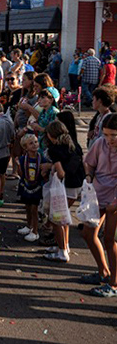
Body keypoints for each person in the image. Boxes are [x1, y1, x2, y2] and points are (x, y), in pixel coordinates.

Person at [83, 113, 117, 296]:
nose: (109, 139)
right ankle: (103, 271)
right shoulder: (99, 144)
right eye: (106, 134)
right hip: (97, 195)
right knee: (88, 234)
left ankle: (114, 284)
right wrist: (89, 176)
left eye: (113, 135)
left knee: (110, 240)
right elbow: (89, 163)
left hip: (115, 201)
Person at [43, 120, 84, 262]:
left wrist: (52, 168)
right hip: (78, 184)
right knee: (64, 218)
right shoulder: (73, 144)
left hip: (65, 187)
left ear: (50, 135)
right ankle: (65, 245)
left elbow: (61, 173)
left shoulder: (55, 149)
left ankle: (62, 251)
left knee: (57, 219)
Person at [16, 134, 46, 242]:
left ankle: (35, 231)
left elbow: (45, 173)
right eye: (31, 143)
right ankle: (29, 226)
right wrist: (18, 166)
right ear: (25, 147)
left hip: (37, 187)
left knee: (34, 209)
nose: (34, 145)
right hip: (26, 186)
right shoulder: (23, 159)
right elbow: (21, 174)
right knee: (28, 207)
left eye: (35, 142)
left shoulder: (41, 157)